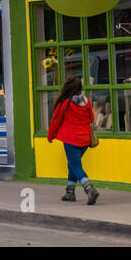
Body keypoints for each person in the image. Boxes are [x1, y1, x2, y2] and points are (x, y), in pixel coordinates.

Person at [47, 75, 99, 204]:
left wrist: (50, 136)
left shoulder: (65, 102)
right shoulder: (86, 101)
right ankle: (70, 193)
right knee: (72, 164)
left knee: (75, 165)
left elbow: (56, 120)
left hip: (71, 139)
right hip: (85, 139)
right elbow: (91, 118)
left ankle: (89, 189)